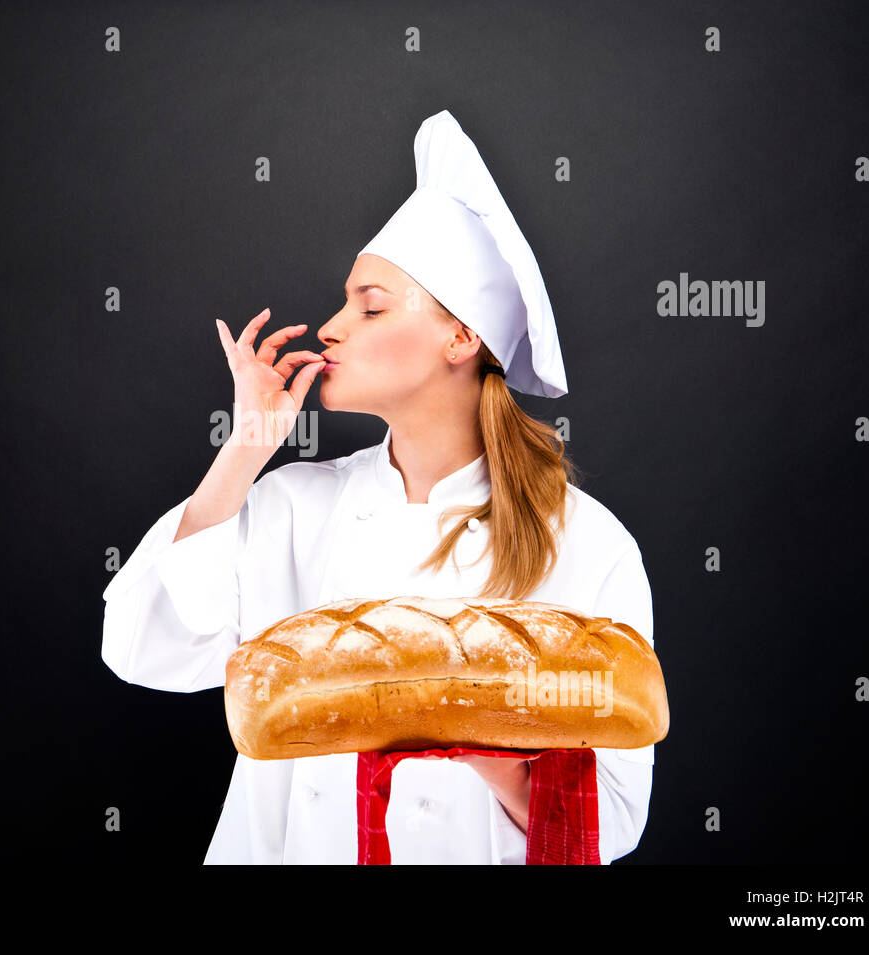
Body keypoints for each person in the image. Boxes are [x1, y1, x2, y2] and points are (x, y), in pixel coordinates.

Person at [101, 110, 656, 864]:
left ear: (461, 337)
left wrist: (460, 725)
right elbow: (139, 644)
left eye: (369, 305)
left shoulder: (587, 544)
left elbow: (611, 821)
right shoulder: (294, 507)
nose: (330, 328)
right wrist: (246, 447)